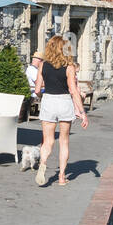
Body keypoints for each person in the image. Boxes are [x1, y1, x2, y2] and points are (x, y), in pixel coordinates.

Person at [31, 36, 89, 186]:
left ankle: (43, 163)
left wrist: (42, 95)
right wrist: (82, 113)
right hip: (64, 102)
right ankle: (62, 177)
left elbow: (37, 90)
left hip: (49, 101)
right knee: (64, 141)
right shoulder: (69, 67)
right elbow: (74, 91)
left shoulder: (43, 65)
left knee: (48, 141)